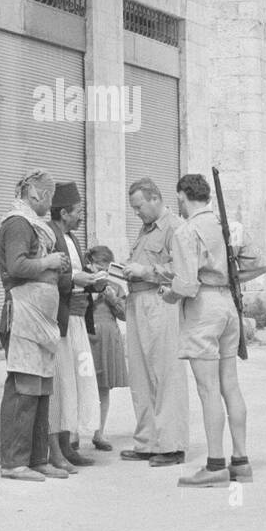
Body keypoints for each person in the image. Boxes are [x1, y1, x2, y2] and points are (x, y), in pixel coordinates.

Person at [163, 172, 250, 487]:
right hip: (228, 305)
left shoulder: (186, 231)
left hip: (203, 308)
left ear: (184, 198)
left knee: (208, 389)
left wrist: (168, 294)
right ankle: (240, 460)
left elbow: (186, 285)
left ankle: (215, 465)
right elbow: (254, 262)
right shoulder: (228, 226)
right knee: (231, 385)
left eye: (180, 202)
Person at [0, 169, 72, 481]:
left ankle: (37, 458)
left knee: (41, 389)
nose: (50, 203)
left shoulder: (36, 226)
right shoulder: (17, 223)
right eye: (49, 196)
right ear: (35, 194)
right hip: (23, 314)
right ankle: (13, 463)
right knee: (23, 388)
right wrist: (49, 263)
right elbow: (16, 265)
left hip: (41, 319)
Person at [119, 178, 187, 467]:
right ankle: (147, 441)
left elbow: (182, 269)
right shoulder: (146, 229)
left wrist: (144, 270)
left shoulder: (175, 227)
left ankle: (171, 444)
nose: (137, 213)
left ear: (156, 198)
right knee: (141, 375)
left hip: (160, 301)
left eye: (139, 206)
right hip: (138, 302)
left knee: (165, 372)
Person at [48, 182, 101, 470]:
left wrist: (91, 278)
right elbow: (46, 278)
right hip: (62, 320)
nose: (81, 216)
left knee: (79, 382)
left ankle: (70, 443)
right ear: (64, 212)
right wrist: (74, 281)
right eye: (77, 211)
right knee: (63, 383)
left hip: (78, 318)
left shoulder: (71, 237)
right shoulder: (50, 237)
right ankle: (57, 447)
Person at [85, 244, 128, 450]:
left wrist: (113, 300)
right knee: (83, 384)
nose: (100, 269)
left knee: (104, 387)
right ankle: (74, 434)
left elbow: (125, 314)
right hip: (87, 337)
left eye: (104, 265)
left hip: (108, 337)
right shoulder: (83, 283)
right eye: (96, 265)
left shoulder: (115, 285)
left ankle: (99, 432)